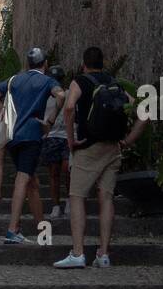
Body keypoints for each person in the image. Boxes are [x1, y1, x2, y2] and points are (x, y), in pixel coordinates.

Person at [53, 47, 144, 269]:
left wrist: (71, 140)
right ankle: (103, 254)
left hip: (88, 148)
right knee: (106, 199)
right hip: (113, 148)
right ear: (103, 63)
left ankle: (77, 253)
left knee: (76, 197)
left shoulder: (79, 82)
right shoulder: (115, 84)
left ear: (84, 64)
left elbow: (70, 107)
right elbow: (144, 113)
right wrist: (128, 140)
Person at [0, 47, 65, 244]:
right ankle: (13, 229)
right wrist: (50, 121)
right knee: (23, 179)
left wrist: (2, 113)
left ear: (27, 64)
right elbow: (61, 96)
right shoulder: (47, 80)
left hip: (13, 138)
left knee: (32, 183)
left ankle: (43, 232)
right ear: (45, 64)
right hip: (31, 135)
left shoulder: (14, 80)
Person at [41, 65, 70, 218]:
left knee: (68, 170)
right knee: (54, 173)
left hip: (68, 136)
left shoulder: (70, 93)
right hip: (51, 136)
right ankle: (56, 205)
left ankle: (70, 200)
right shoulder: (44, 96)